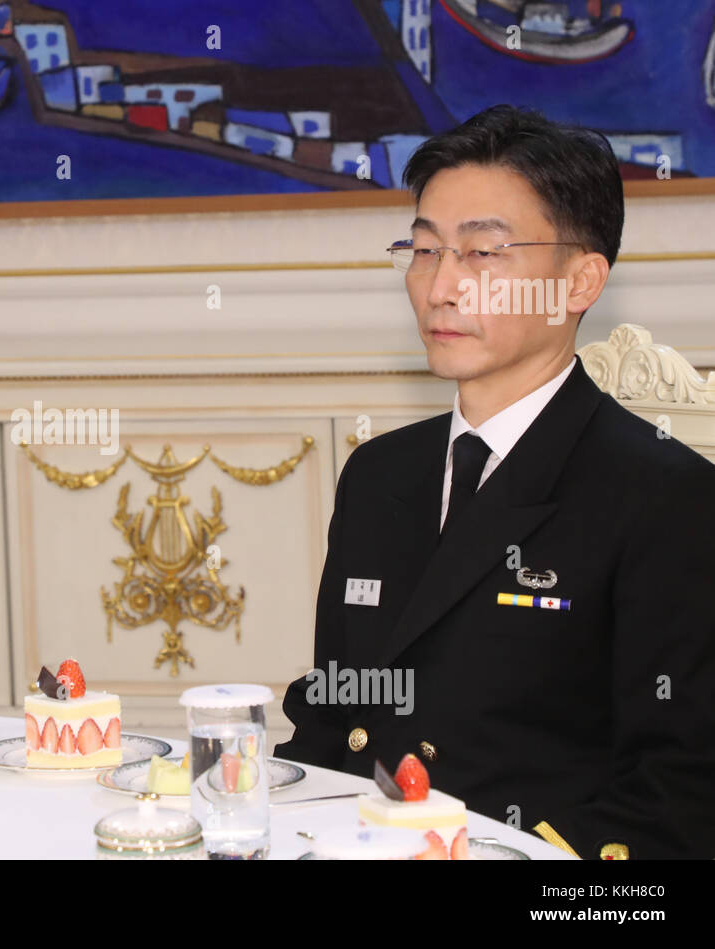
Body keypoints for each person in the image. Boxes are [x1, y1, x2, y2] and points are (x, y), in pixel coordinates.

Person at [275, 105, 715, 859]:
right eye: (422, 250)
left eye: (482, 254)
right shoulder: (379, 473)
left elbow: (680, 789)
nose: (441, 287)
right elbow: (334, 713)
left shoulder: (664, 496)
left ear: (579, 282)